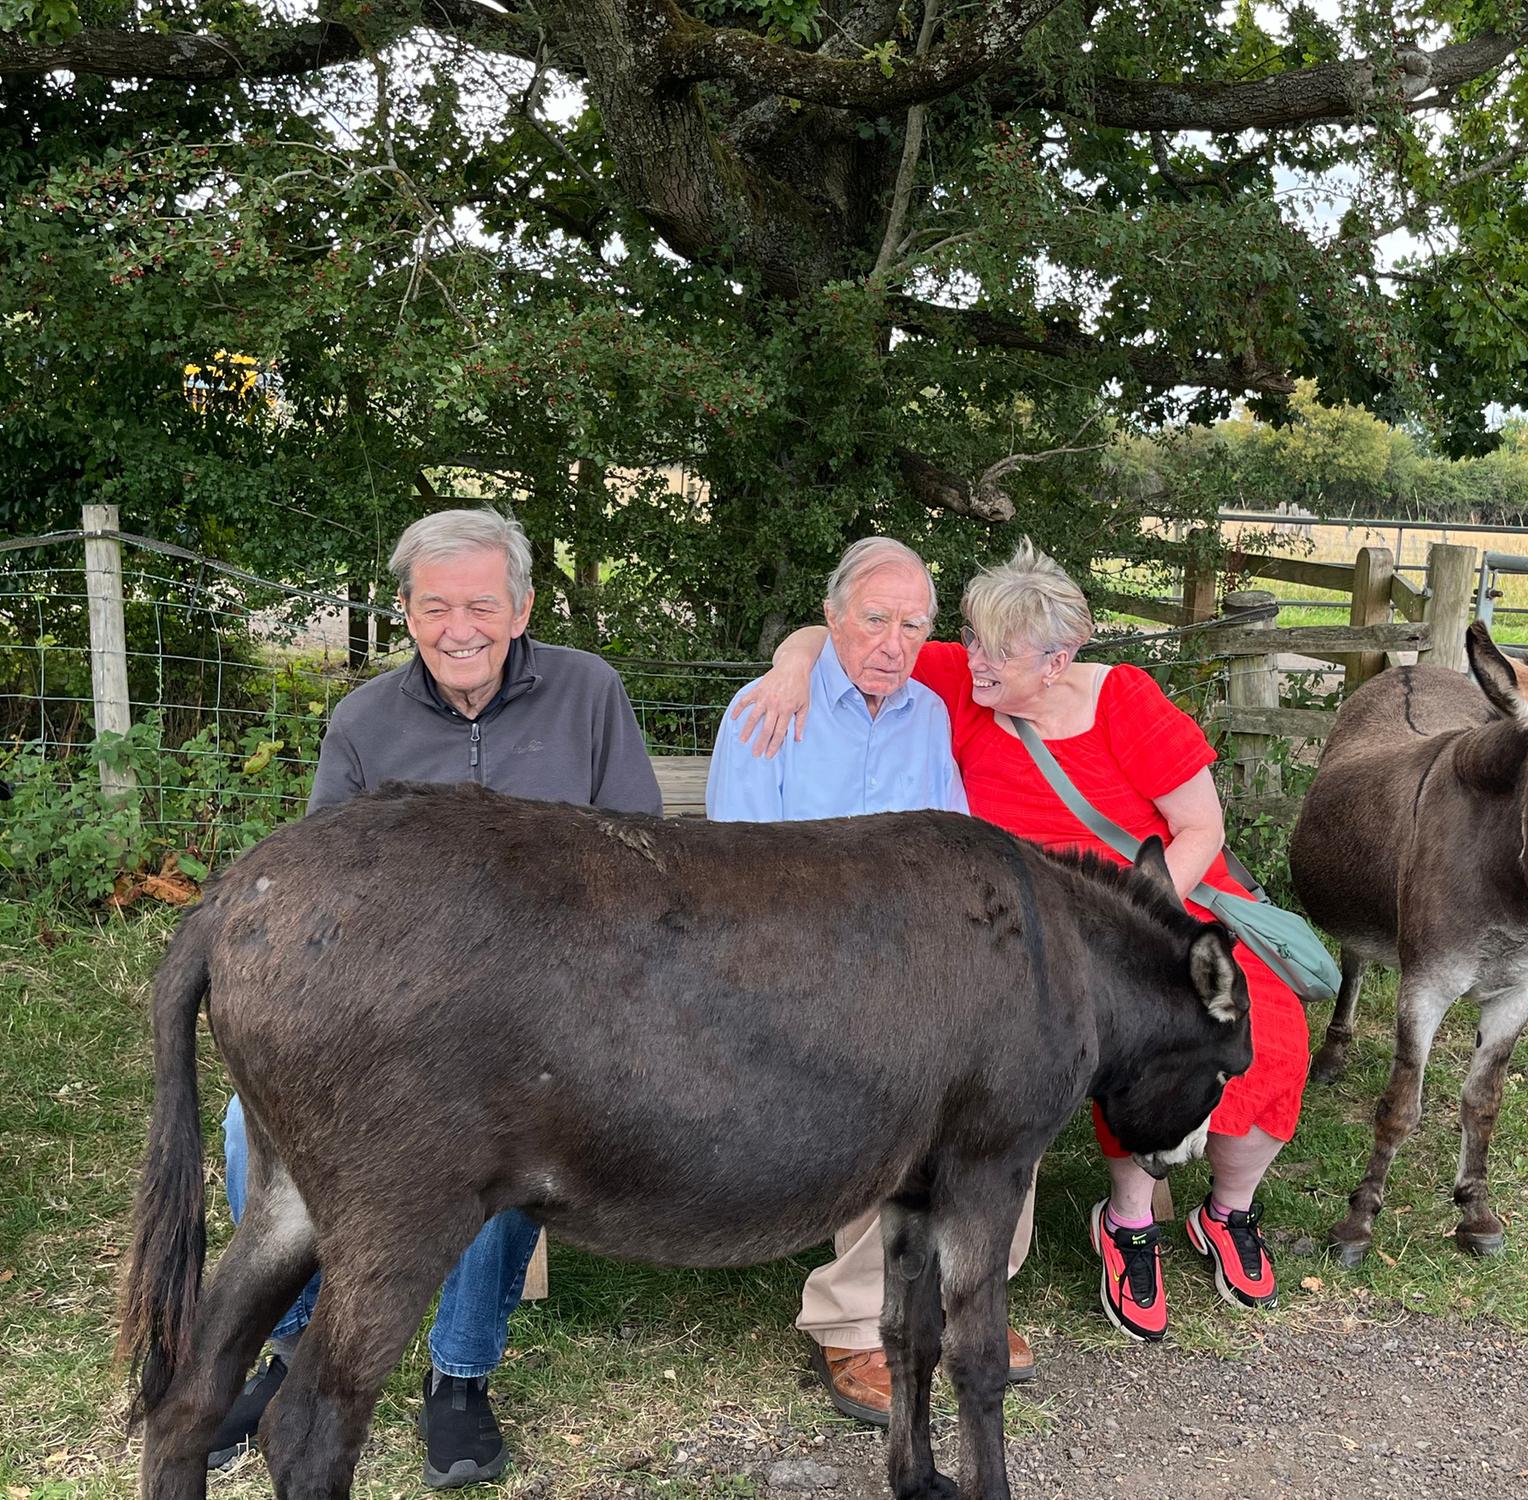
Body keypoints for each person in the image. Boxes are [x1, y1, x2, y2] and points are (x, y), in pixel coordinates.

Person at [737, 539, 1311, 1342]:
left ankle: (1228, 1210)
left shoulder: (1126, 703)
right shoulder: (965, 683)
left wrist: (1136, 928)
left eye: (997, 655)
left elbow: (1199, 828)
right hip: (1029, 935)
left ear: (1056, 659)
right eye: (970, 641)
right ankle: (1128, 1222)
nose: (973, 663)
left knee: (1262, 1039)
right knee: (1082, 1029)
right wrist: (791, 666)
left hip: (1155, 905)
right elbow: (847, 630)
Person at [208, 507, 662, 1488]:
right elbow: (327, 892)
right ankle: (288, 1347)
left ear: (524, 608)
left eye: (482, 605)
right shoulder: (363, 721)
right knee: (254, 1127)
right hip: (394, 1016)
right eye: (435, 606)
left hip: (548, 1011)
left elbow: (640, 861)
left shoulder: (590, 694)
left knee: (502, 1131)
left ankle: (458, 1378)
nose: (460, 627)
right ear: (406, 613)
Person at [707, 536, 1037, 1425]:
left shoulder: (927, 712)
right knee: (896, 1081)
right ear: (833, 619)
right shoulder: (768, 708)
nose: (892, 641)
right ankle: (858, 1325)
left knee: (1010, 1065)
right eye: (874, 620)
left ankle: (971, 1292)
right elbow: (736, 882)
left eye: (912, 624)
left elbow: (953, 855)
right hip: (796, 969)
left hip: (907, 965)